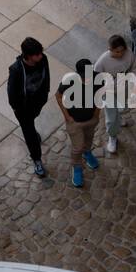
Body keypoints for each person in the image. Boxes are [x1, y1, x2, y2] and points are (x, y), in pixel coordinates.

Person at [6, 37, 50, 177]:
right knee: (29, 132)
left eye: (40, 53)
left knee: (31, 123)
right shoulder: (16, 70)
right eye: (37, 54)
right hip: (23, 109)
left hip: (37, 103)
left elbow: (46, 76)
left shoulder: (43, 60)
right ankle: (37, 160)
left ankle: (32, 131)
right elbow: (11, 92)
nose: (41, 56)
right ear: (29, 56)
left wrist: (45, 94)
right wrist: (16, 108)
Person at [56, 58, 102, 188]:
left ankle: (87, 153)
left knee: (89, 139)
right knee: (78, 147)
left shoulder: (98, 78)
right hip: (74, 122)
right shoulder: (69, 81)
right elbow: (58, 96)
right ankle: (76, 167)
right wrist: (67, 116)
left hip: (91, 119)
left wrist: (97, 112)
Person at [93, 34, 136, 154]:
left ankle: (119, 118)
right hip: (108, 93)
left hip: (125, 88)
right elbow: (96, 79)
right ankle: (112, 137)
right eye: (117, 52)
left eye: (122, 50)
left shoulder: (129, 54)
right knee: (111, 119)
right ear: (110, 50)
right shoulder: (102, 61)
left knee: (123, 108)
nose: (121, 54)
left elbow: (135, 68)